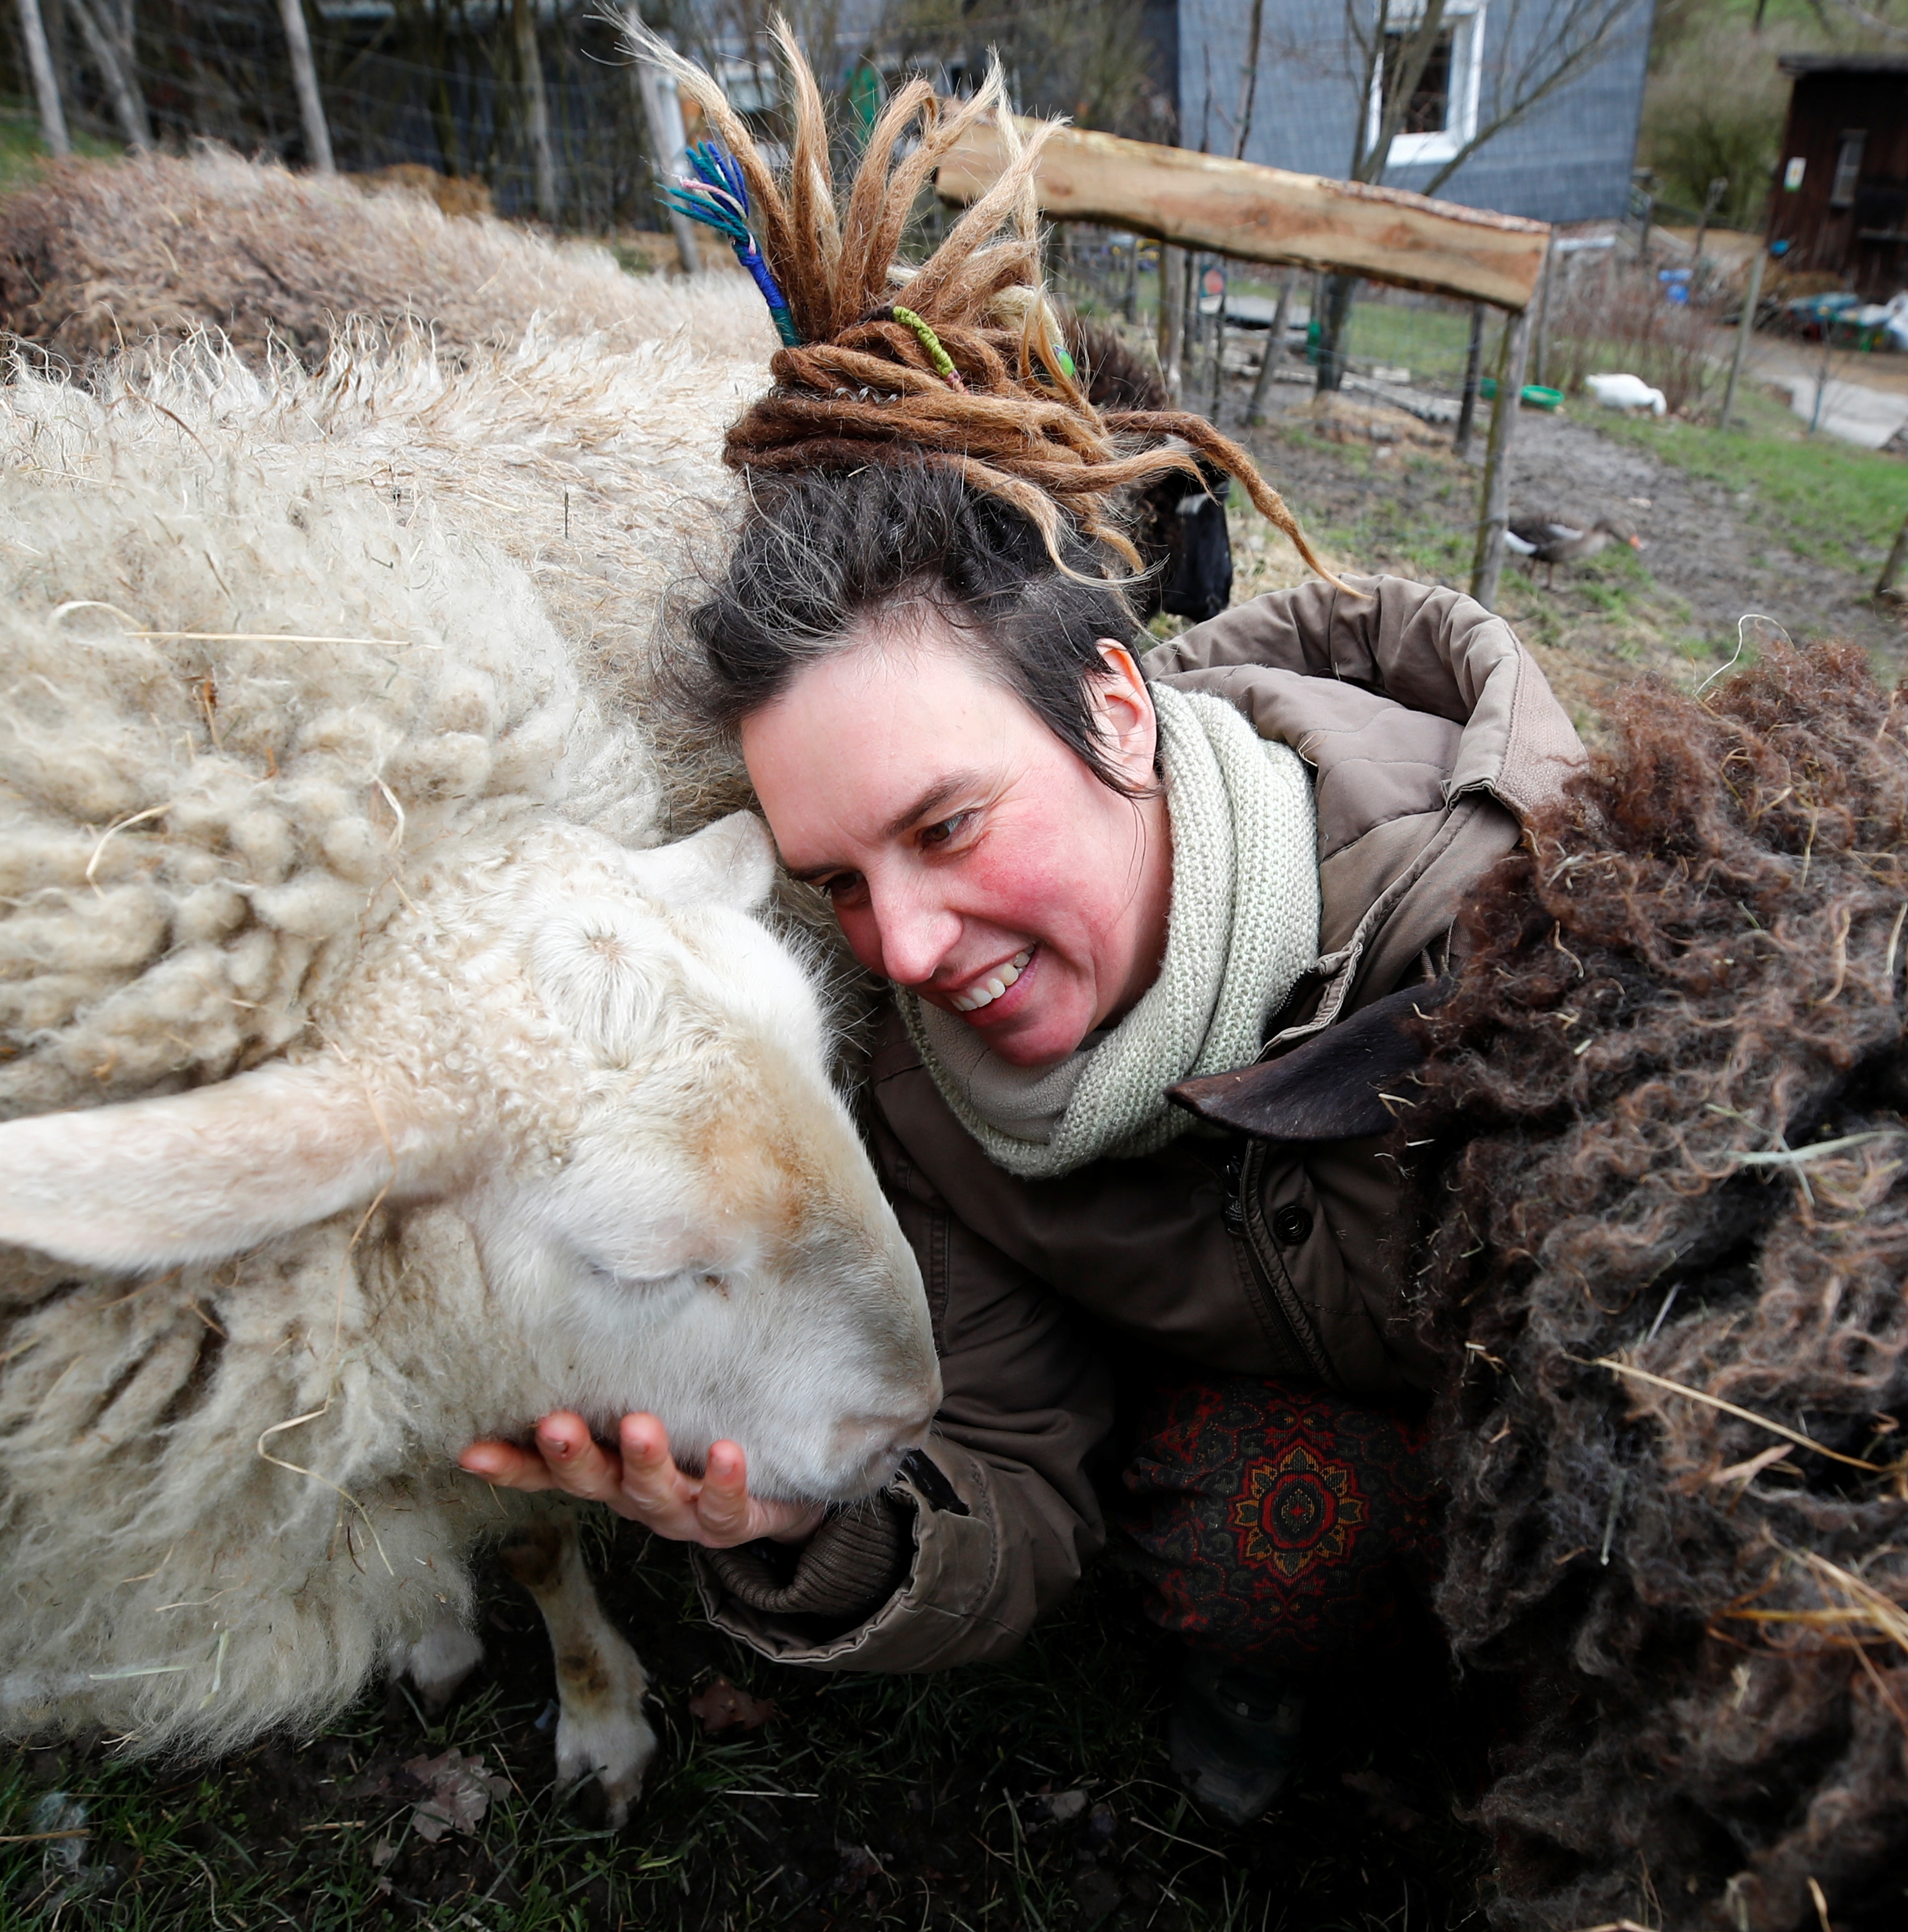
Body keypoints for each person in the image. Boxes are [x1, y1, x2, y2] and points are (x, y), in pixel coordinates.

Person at [460, 31, 1585, 1821]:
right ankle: (1266, 1678)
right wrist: (799, 1519)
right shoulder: (927, 1101)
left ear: (1120, 712)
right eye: (839, 877)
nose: (899, 947)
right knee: (1251, 1531)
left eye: (949, 825)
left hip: (1527, 1402)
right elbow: (1003, 1471)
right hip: (1271, 1395)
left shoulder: (1512, 944)